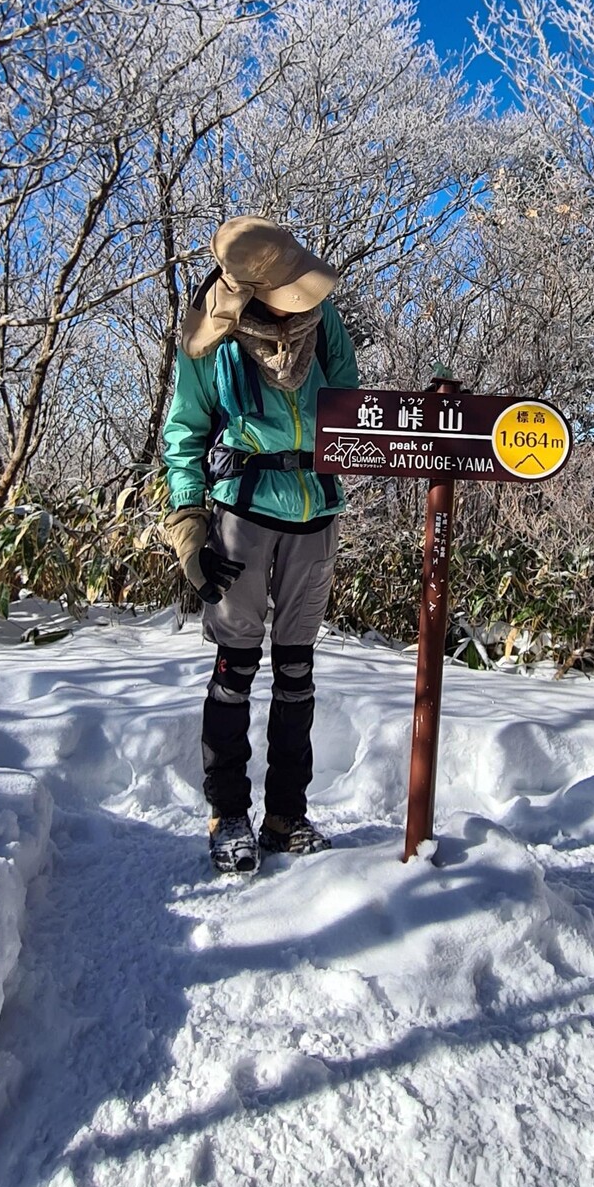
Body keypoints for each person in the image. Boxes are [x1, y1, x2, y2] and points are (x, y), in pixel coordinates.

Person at [162, 217, 358, 875]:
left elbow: (350, 403)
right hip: (241, 512)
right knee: (235, 667)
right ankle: (228, 813)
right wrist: (189, 526)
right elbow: (184, 434)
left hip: (316, 509)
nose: (302, 297)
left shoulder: (322, 321)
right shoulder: (208, 340)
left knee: (297, 668)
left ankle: (285, 815)